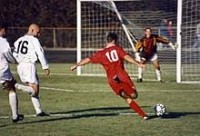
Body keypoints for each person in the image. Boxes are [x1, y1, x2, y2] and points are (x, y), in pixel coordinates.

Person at [70, 32, 149, 120]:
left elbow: (88, 59)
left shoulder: (101, 53)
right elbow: (127, 57)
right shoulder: (117, 49)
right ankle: (143, 115)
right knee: (134, 95)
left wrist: (76, 65)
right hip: (122, 76)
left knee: (127, 98)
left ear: (107, 41)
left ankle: (144, 115)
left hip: (112, 80)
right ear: (114, 41)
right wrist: (138, 64)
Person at [13, 24, 50, 116]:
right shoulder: (34, 40)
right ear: (32, 30)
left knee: (35, 88)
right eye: (38, 32)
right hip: (28, 65)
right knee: (34, 91)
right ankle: (16, 85)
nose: (39, 34)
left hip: (20, 66)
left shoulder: (18, 40)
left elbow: (14, 54)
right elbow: (40, 53)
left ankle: (39, 111)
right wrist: (45, 66)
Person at [0, 22, 24, 122]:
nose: (7, 32)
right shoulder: (3, 42)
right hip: (2, 70)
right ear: (2, 29)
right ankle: (15, 116)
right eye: (6, 30)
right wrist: (15, 61)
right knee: (12, 89)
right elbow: (8, 55)